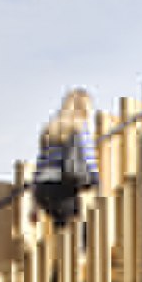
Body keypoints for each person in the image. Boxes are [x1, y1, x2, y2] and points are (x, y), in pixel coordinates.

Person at [32, 88, 100, 228]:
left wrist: (34, 205)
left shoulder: (50, 130)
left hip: (43, 191)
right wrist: (96, 184)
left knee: (64, 230)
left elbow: (39, 167)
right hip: (63, 189)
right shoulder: (80, 128)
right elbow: (89, 159)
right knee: (80, 233)